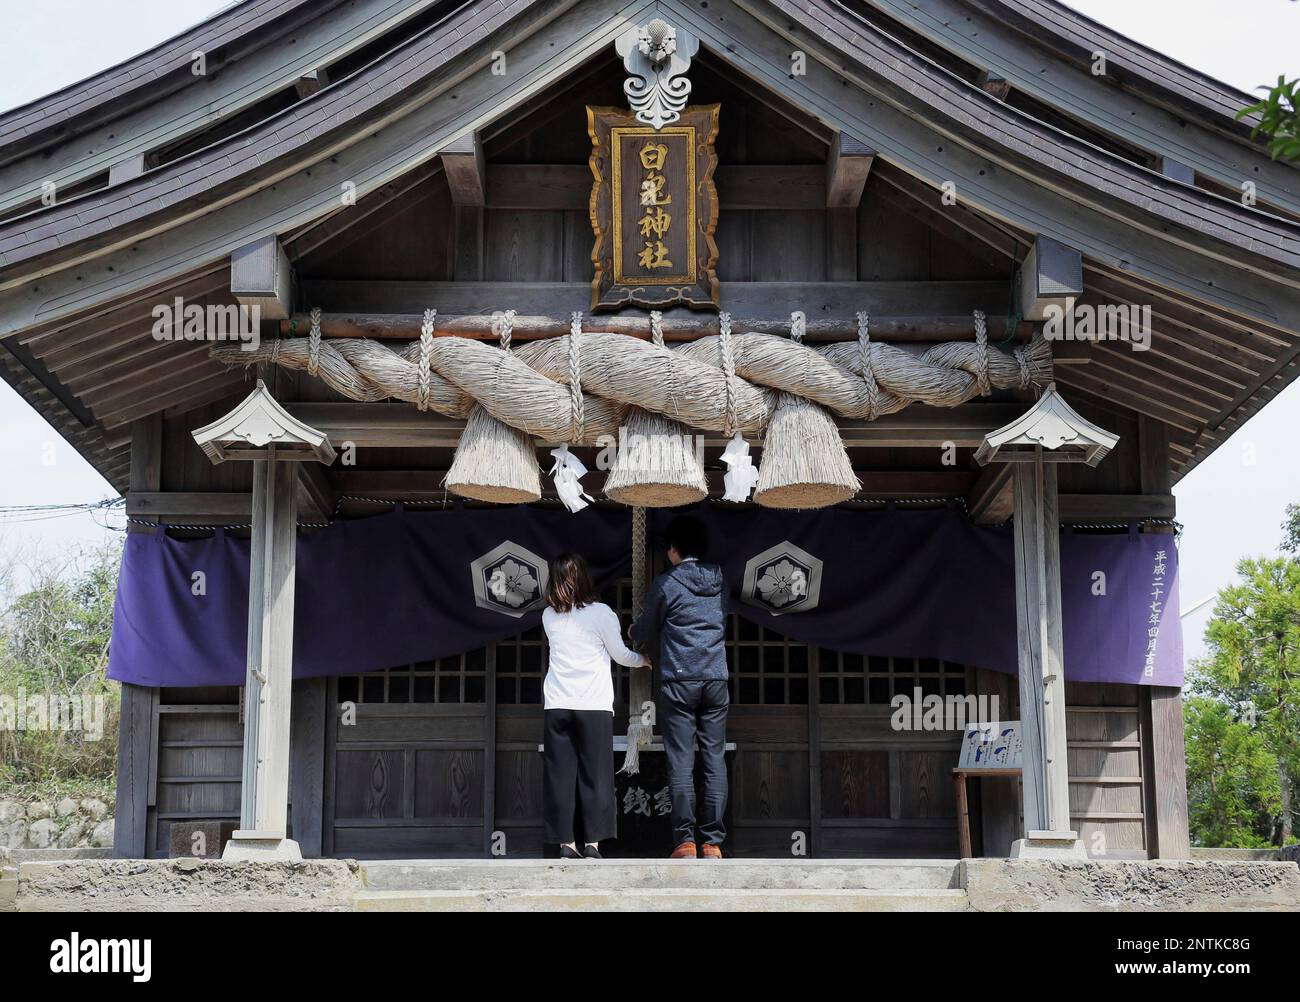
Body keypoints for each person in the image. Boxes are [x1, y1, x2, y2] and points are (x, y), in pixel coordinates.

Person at [630, 515, 729, 859]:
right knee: (715, 759)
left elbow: (645, 630)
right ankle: (713, 843)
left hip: (679, 680)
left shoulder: (667, 583)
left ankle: (686, 841)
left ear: (673, 549)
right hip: (716, 678)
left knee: (682, 761)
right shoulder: (719, 579)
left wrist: (632, 635)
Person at [541, 552, 649, 860]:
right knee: (596, 774)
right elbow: (620, 655)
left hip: (558, 704)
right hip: (593, 704)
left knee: (560, 776)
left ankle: (566, 844)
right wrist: (642, 660)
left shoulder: (549, 616)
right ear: (585, 579)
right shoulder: (602, 613)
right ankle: (593, 843)